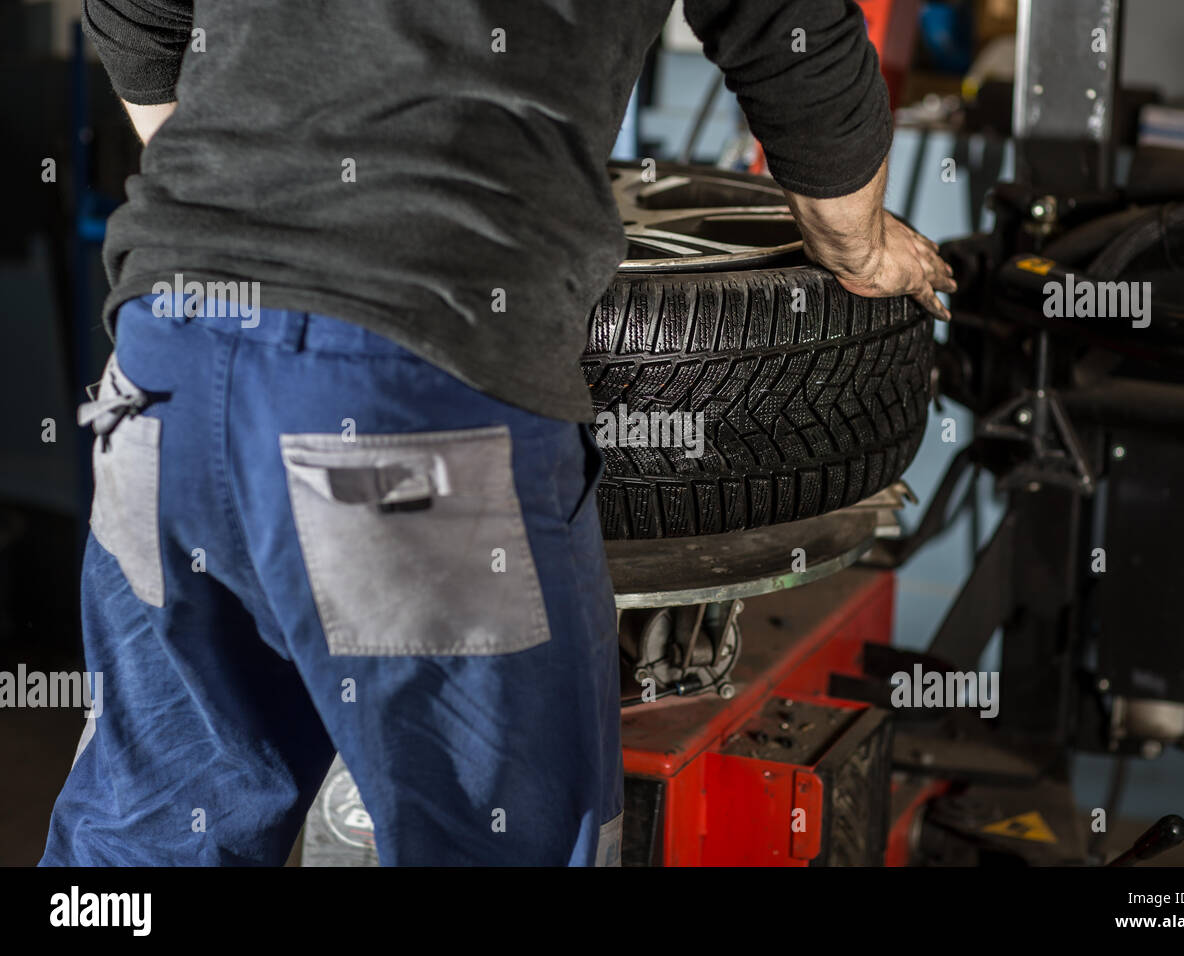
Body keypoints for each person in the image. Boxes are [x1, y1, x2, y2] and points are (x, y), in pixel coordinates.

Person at [44, 0, 955, 866]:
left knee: (149, 832)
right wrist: (858, 242)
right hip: (411, 374)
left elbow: (132, 11)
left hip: (164, 352)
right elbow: (789, 26)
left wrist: (234, 204)